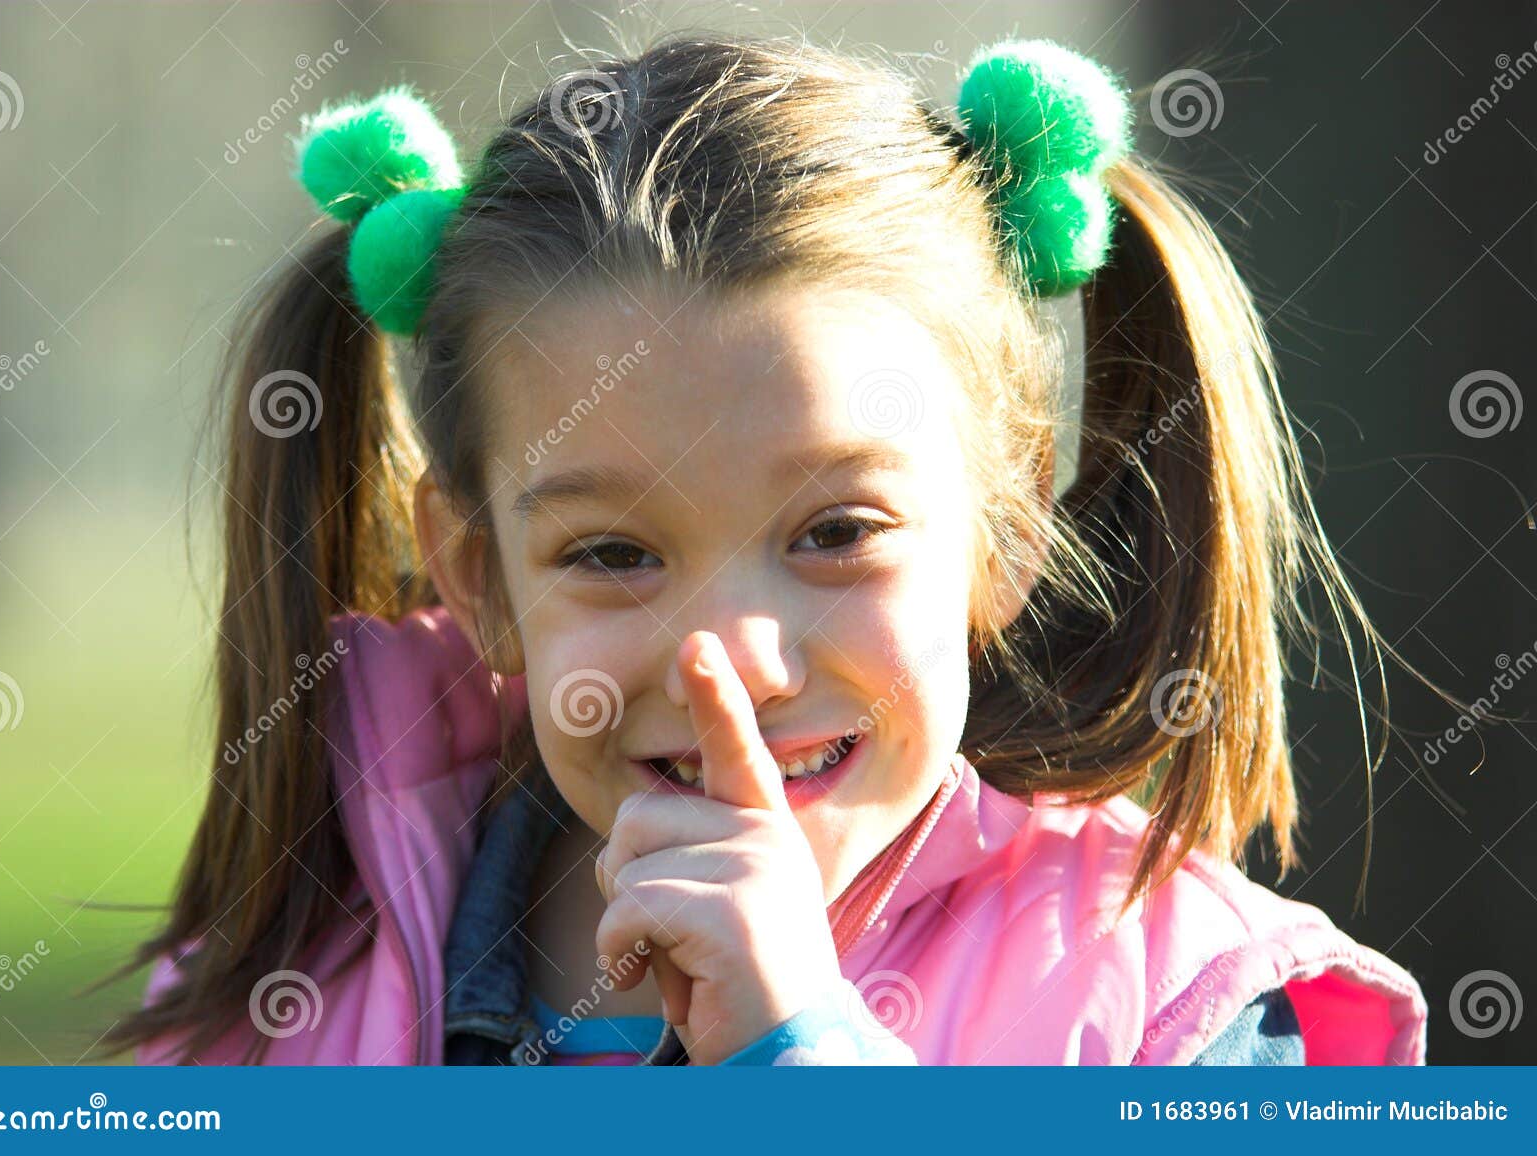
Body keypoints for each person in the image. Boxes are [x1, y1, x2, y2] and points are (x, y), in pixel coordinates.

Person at [107, 35, 1426, 1065]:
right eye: (613, 552)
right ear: (475, 577)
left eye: (837, 532)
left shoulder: (1169, 1010)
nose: (728, 657)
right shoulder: (289, 983)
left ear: (1009, 529)